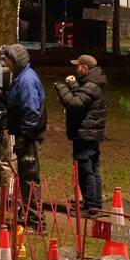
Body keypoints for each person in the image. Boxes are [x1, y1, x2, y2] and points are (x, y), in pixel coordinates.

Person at [54, 54, 107, 213]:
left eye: (78, 66)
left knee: (86, 170)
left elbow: (75, 104)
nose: (75, 68)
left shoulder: (91, 85)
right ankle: (94, 203)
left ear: (85, 68)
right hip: (90, 133)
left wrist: (62, 88)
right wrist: (73, 85)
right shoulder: (93, 83)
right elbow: (83, 99)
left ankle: (91, 205)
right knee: (93, 168)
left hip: (85, 134)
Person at [0, 43, 45, 224]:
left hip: (28, 137)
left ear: (14, 61)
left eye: (7, 60)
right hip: (26, 135)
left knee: (29, 179)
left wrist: (24, 137)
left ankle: (34, 220)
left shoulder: (27, 81)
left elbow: (31, 112)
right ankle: (27, 215)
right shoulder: (22, 77)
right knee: (26, 178)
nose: (5, 64)